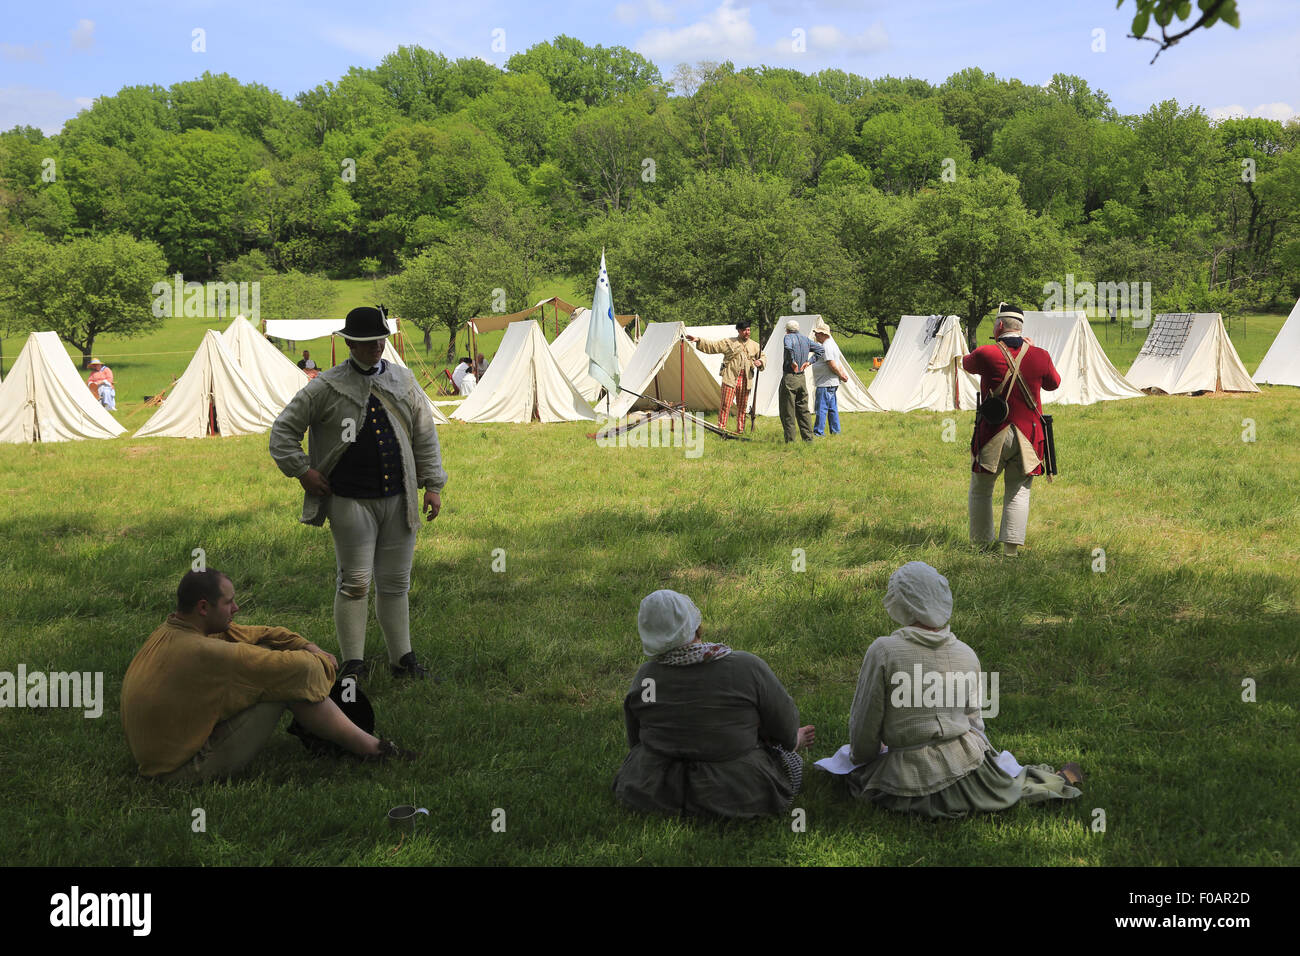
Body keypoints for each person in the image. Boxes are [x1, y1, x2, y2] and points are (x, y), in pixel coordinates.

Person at [270, 306, 447, 683]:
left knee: (397, 582)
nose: (375, 348)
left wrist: (432, 484)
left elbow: (424, 435)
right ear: (349, 342)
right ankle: (353, 665)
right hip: (350, 500)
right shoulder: (325, 386)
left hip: (399, 499)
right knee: (355, 582)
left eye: (380, 340)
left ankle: (403, 660)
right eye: (367, 342)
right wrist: (303, 471)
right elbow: (283, 432)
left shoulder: (404, 379)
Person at [121, 570, 412, 782]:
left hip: (159, 758)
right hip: (179, 771)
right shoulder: (207, 652)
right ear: (203, 607)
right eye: (229, 602)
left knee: (266, 657)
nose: (236, 608)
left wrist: (307, 645)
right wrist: (322, 660)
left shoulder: (174, 630)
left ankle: (360, 743)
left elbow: (261, 635)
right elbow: (304, 670)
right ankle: (374, 750)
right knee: (284, 684)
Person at [844, 562, 1082, 819]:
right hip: (966, 769)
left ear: (901, 603)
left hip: (905, 781)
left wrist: (863, 756)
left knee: (849, 772)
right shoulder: (966, 654)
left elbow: (865, 723)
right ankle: (1056, 780)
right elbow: (974, 724)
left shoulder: (883, 651)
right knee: (1009, 785)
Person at [613, 590, 816, 819]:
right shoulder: (746, 666)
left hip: (654, 791)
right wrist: (793, 739)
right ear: (695, 624)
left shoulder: (646, 677)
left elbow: (636, 741)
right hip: (735, 790)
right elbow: (784, 727)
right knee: (788, 759)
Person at [961, 303, 1061, 557]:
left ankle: (982, 545)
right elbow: (1053, 383)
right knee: (1018, 491)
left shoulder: (986, 353)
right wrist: (1030, 349)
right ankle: (1010, 551)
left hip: (993, 435)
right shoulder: (1040, 355)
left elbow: (966, 363)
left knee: (981, 490)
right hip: (1028, 437)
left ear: (1000, 326)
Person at [686, 320, 765, 433]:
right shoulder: (728, 342)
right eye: (744, 330)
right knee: (725, 405)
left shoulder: (755, 345)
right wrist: (699, 340)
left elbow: (762, 356)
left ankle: (740, 430)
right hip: (730, 378)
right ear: (738, 331)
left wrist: (760, 362)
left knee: (742, 407)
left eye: (748, 330)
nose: (747, 332)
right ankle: (721, 428)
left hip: (746, 379)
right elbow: (713, 346)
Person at [778, 319, 824, 443]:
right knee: (803, 409)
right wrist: (809, 362)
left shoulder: (787, 337)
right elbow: (820, 350)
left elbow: (788, 348)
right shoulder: (805, 339)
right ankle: (808, 439)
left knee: (787, 410)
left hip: (790, 377)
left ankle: (790, 441)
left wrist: (792, 361)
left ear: (787, 330)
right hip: (801, 378)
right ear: (797, 329)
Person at [811, 320, 850, 437]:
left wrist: (841, 375)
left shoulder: (827, 346)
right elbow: (838, 362)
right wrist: (841, 374)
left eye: (817, 333)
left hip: (825, 382)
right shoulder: (832, 344)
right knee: (832, 408)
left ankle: (818, 433)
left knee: (821, 408)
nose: (816, 335)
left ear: (824, 334)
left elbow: (832, 364)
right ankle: (835, 431)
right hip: (830, 382)